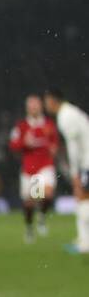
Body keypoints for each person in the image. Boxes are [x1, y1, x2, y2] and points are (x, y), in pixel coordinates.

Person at [7, 94, 59, 243]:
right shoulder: (22, 126)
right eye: (31, 106)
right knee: (30, 202)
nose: (34, 108)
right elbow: (13, 145)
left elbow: (55, 143)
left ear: (40, 107)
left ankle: (42, 216)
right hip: (30, 169)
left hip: (45, 165)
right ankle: (29, 227)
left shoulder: (48, 124)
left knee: (47, 194)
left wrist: (54, 148)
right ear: (28, 108)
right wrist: (24, 142)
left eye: (36, 105)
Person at [44, 89, 89, 254]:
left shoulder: (65, 116)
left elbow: (73, 146)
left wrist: (75, 172)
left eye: (47, 100)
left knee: (82, 197)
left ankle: (85, 243)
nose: (45, 104)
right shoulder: (71, 112)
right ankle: (83, 239)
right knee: (82, 198)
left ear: (53, 101)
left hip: (86, 162)